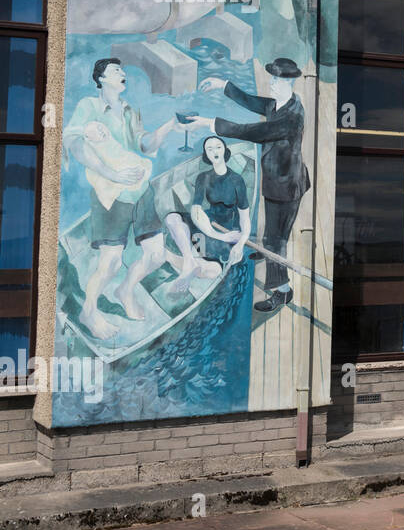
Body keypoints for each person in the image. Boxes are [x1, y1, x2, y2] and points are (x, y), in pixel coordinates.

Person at [64, 57, 194, 337]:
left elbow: (145, 145)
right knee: (110, 263)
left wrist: (170, 125)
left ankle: (126, 290)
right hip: (110, 194)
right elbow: (74, 144)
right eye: (115, 71)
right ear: (100, 79)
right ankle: (89, 311)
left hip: (140, 188)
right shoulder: (89, 107)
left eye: (122, 70)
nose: (123, 73)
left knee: (157, 255)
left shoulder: (129, 110)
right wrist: (110, 173)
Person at [192, 58, 309, 313]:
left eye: (276, 80)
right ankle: (268, 251)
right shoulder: (278, 104)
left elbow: (252, 132)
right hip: (276, 182)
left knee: (277, 239)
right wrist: (224, 85)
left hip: (286, 187)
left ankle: (283, 291)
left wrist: (209, 123)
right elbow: (251, 101)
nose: (271, 83)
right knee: (273, 233)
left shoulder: (292, 116)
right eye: (272, 79)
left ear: (289, 82)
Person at [187, 135, 250, 268]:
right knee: (197, 247)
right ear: (206, 155)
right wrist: (212, 233)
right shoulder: (203, 177)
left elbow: (245, 217)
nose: (214, 152)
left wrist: (241, 242)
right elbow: (196, 209)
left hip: (231, 226)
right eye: (209, 149)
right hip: (211, 222)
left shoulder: (236, 180)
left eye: (218, 147)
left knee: (229, 258)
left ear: (225, 151)